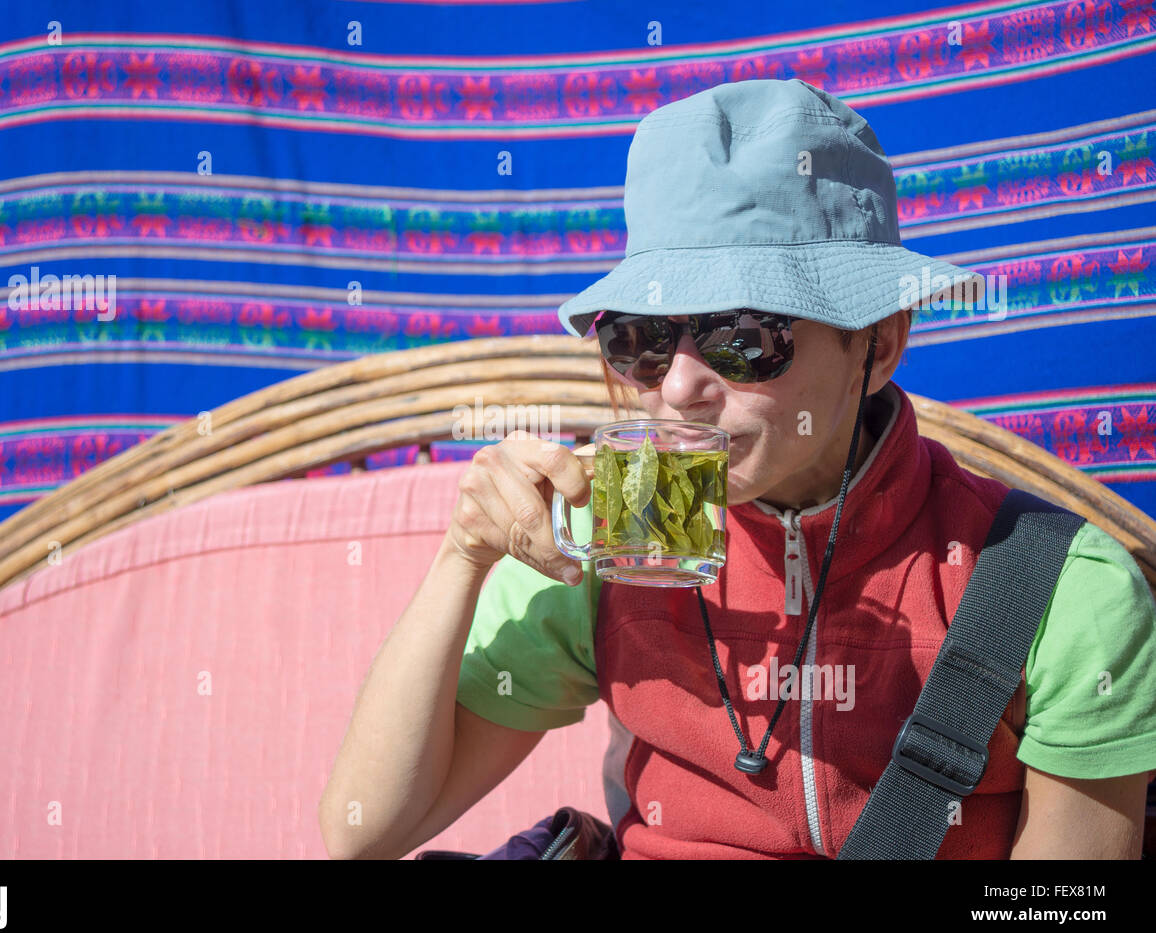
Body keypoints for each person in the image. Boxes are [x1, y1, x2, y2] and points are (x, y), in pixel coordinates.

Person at [318, 78, 1156, 860]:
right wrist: (462, 553)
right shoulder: (602, 539)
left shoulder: (1056, 589)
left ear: (879, 340)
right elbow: (366, 830)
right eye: (640, 340)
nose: (679, 384)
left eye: (743, 334)